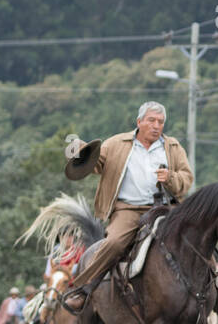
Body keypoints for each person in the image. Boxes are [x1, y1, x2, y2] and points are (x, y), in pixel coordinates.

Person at [62, 101, 193, 311]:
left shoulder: (173, 147)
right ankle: (84, 289)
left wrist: (171, 177)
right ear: (139, 121)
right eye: (151, 120)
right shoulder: (116, 144)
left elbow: (187, 180)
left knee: (196, 236)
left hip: (166, 208)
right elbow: (95, 164)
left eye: (160, 122)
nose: (156, 125)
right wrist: (79, 151)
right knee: (114, 243)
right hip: (128, 210)